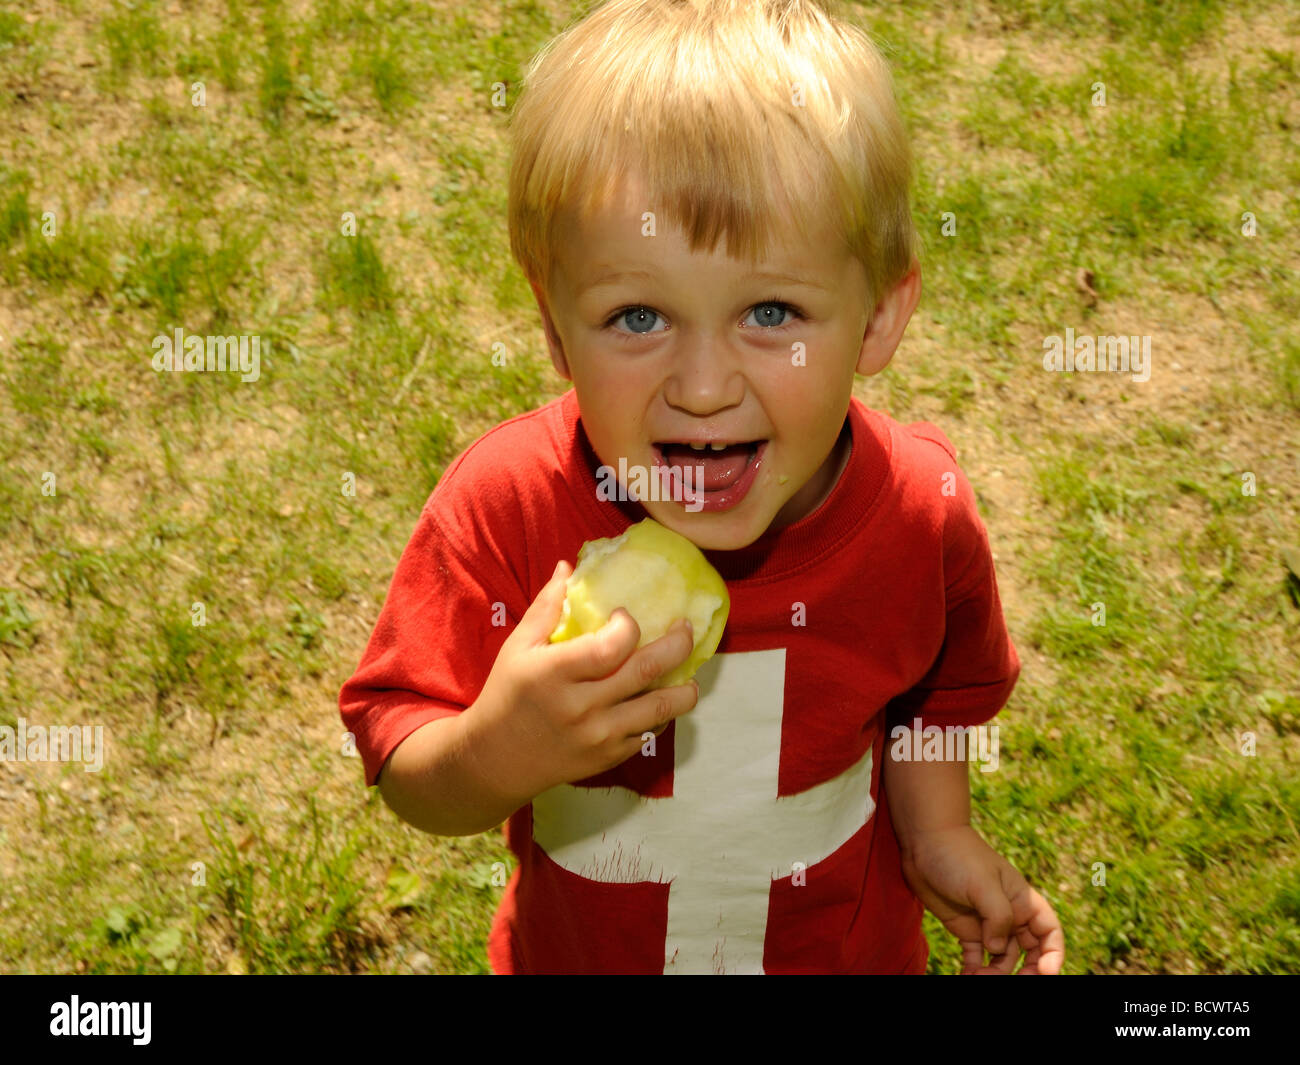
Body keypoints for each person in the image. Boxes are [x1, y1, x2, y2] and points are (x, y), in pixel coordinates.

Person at [339, 0, 1065, 974]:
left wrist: (937, 832)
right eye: (637, 316)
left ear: (879, 318)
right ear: (554, 328)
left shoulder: (917, 513)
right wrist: (498, 752)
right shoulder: (507, 506)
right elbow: (403, 762)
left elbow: (932, 698)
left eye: (771, 311)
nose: (703, 386)